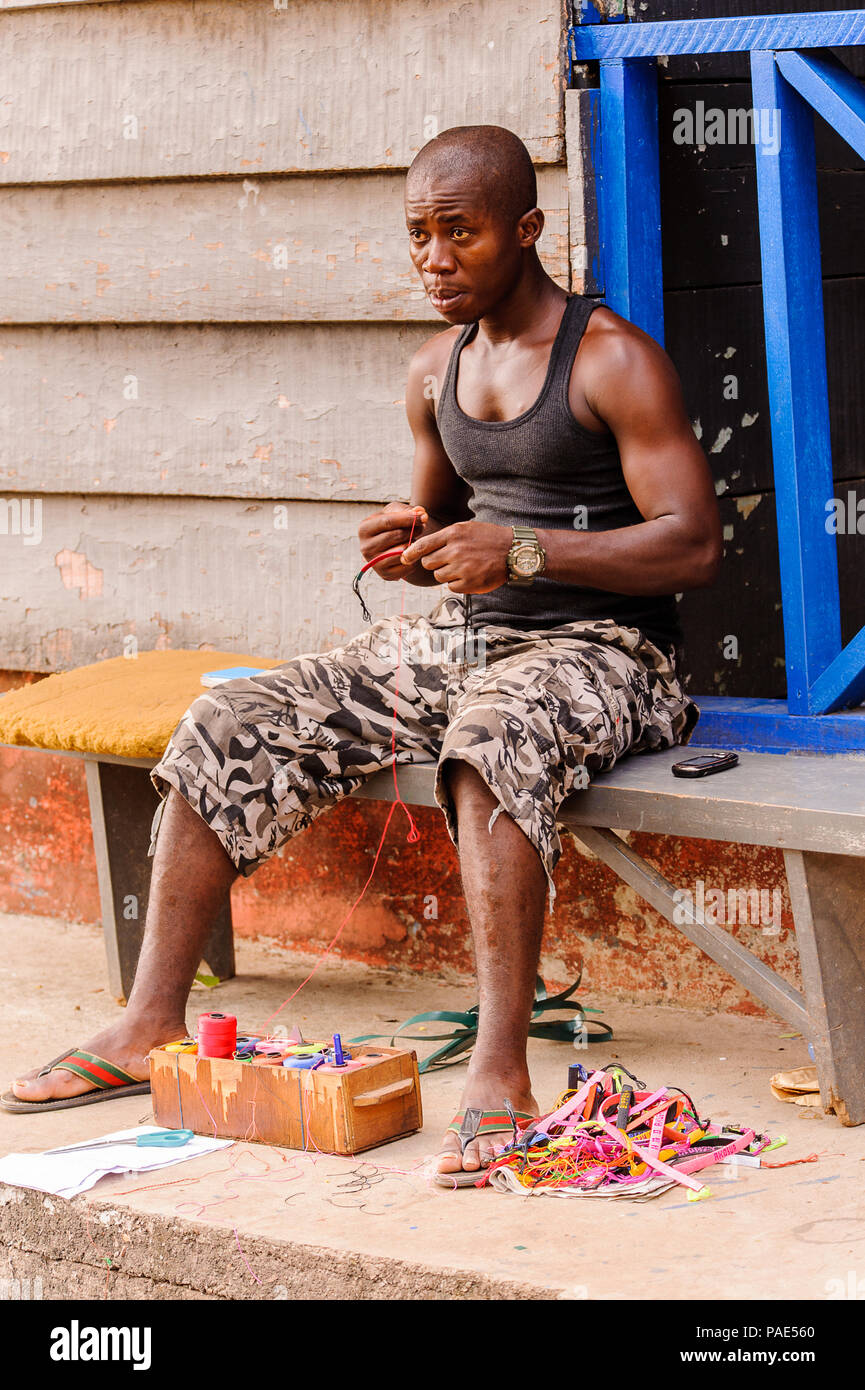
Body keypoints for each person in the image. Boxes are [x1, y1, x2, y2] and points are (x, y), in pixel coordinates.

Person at [5, 126, 721, 1181]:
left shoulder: (610, 358)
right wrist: (411, 544)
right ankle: (150, 1017)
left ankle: (498, 1066)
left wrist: (520, 548)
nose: (435, 258)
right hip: (467, 639)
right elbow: (444, 526)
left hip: (607, 651)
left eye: (461, 233)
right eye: (419, 235)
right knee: (236, 714)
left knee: (488, 742)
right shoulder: (434, 369)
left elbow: (693, 543)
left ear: (526, 230)